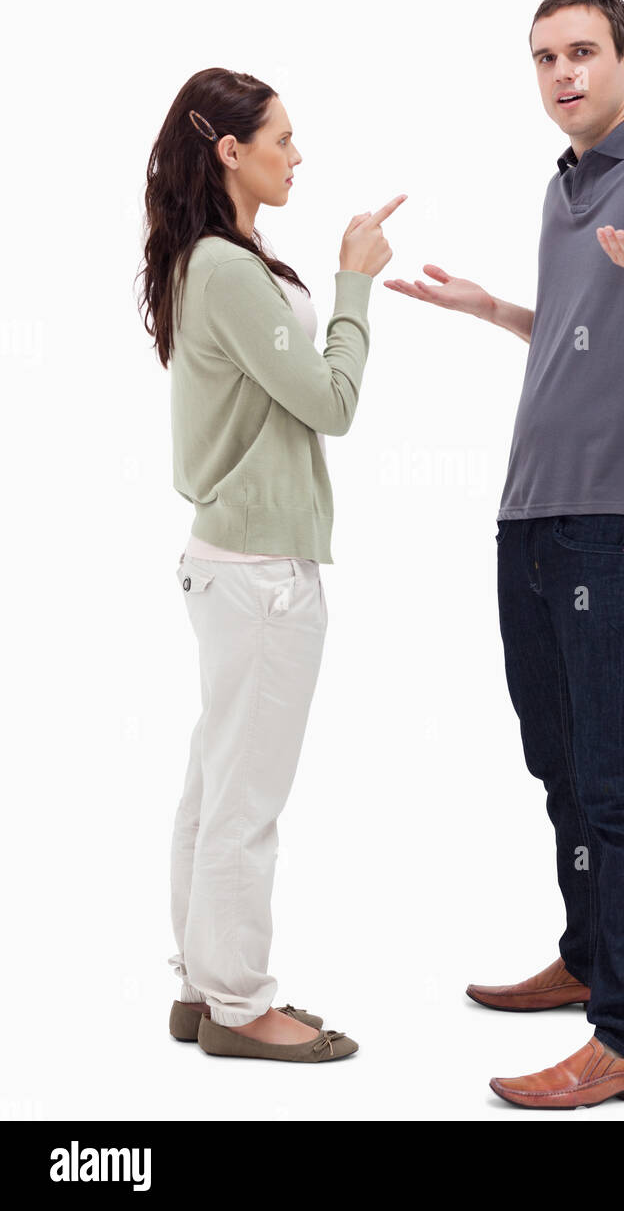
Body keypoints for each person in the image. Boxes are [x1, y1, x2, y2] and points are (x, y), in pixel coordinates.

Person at [383, 0, 624, 1108]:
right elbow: (575, 336)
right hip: (530, 509)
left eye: (583, 53)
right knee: (556, 764)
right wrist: (493, 310)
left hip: (614, 516)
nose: (562, 74)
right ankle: (587, 956)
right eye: (544, 56)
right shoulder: (560, 185)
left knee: (612, 774)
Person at [137, 67, 405, 1064]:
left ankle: (203, 984)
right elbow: (331, 403)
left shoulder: (226, 259)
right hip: (260, 571)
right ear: (230, 152)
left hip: (237, 560)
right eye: (284, 139)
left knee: (216, 783)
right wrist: (355, 281)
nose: (299, 156)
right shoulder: (227, 268)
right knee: (242, 800)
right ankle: (241, 1004)